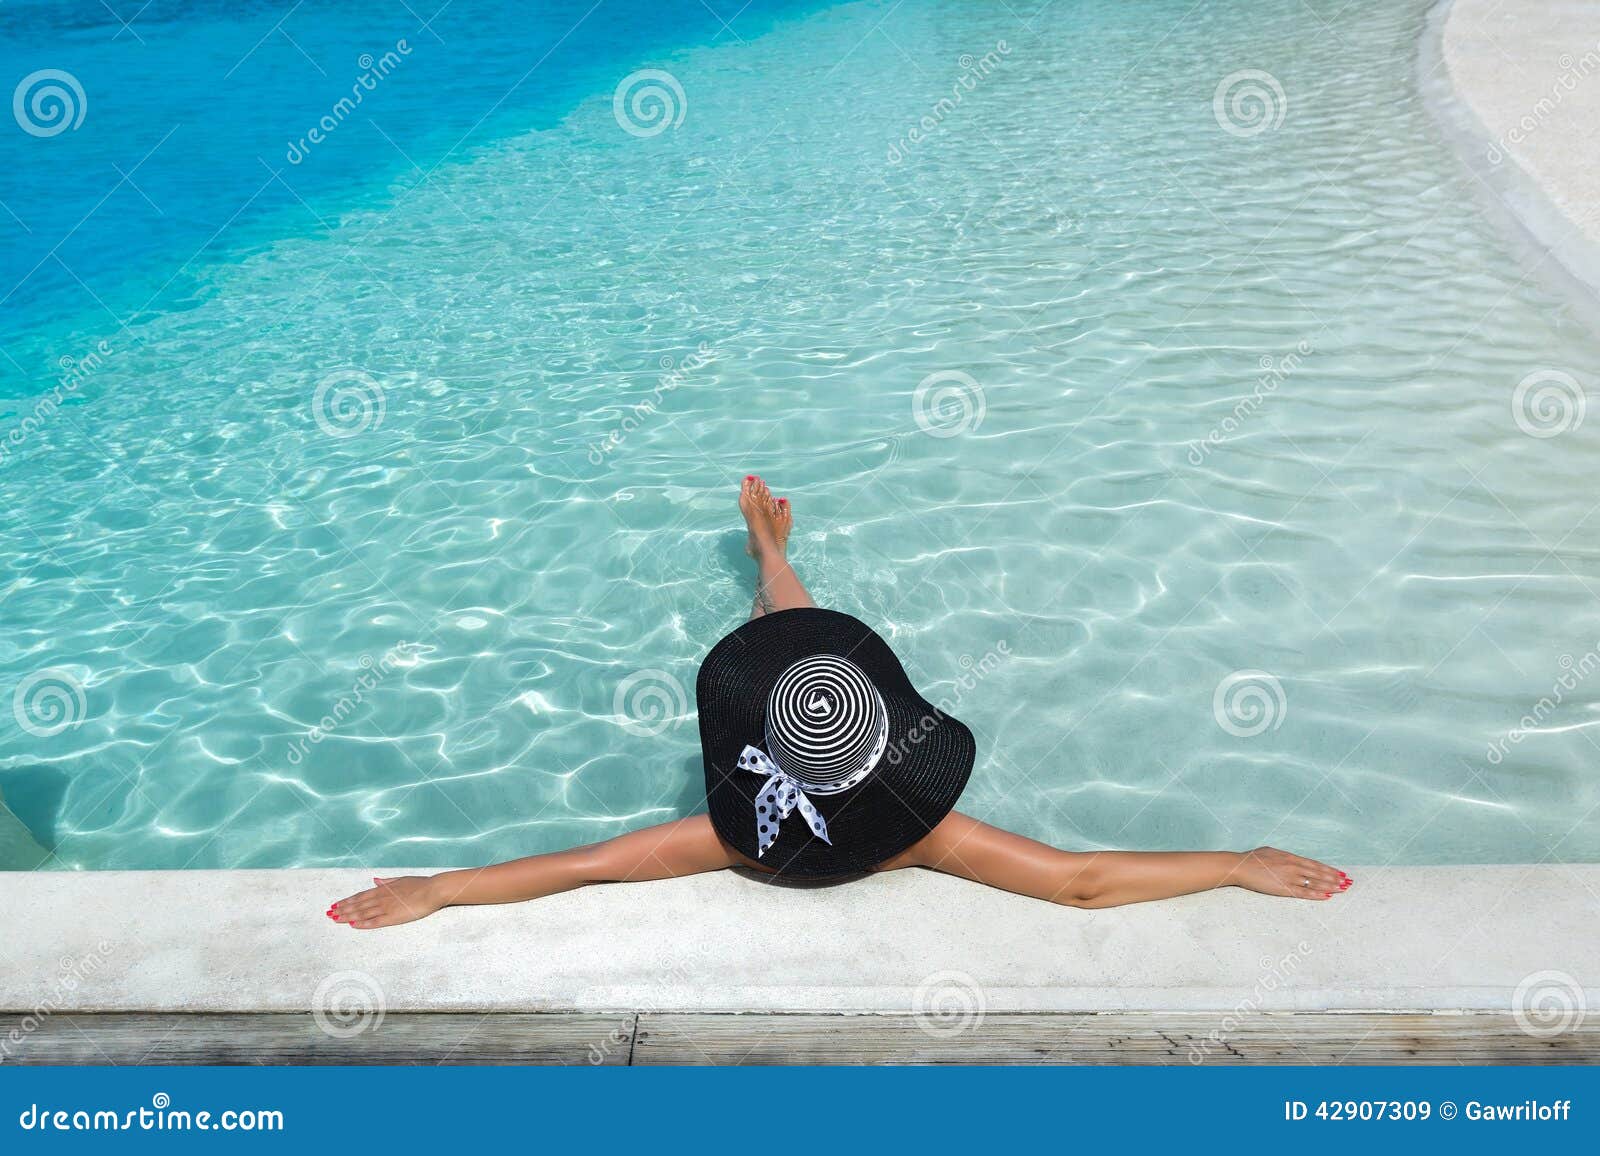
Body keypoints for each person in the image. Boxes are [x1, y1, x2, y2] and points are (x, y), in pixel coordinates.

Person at [325, 476, 1350, 929]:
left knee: (801, 669)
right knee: (809, 667)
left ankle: (775, 555)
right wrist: (1230, 863)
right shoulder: (921, 831)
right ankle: (776, 554)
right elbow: (1078, 882)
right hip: (872, 791)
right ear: (895, 751)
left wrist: (442, 887)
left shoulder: (735, 840)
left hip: (783, 796)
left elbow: (585, 867)